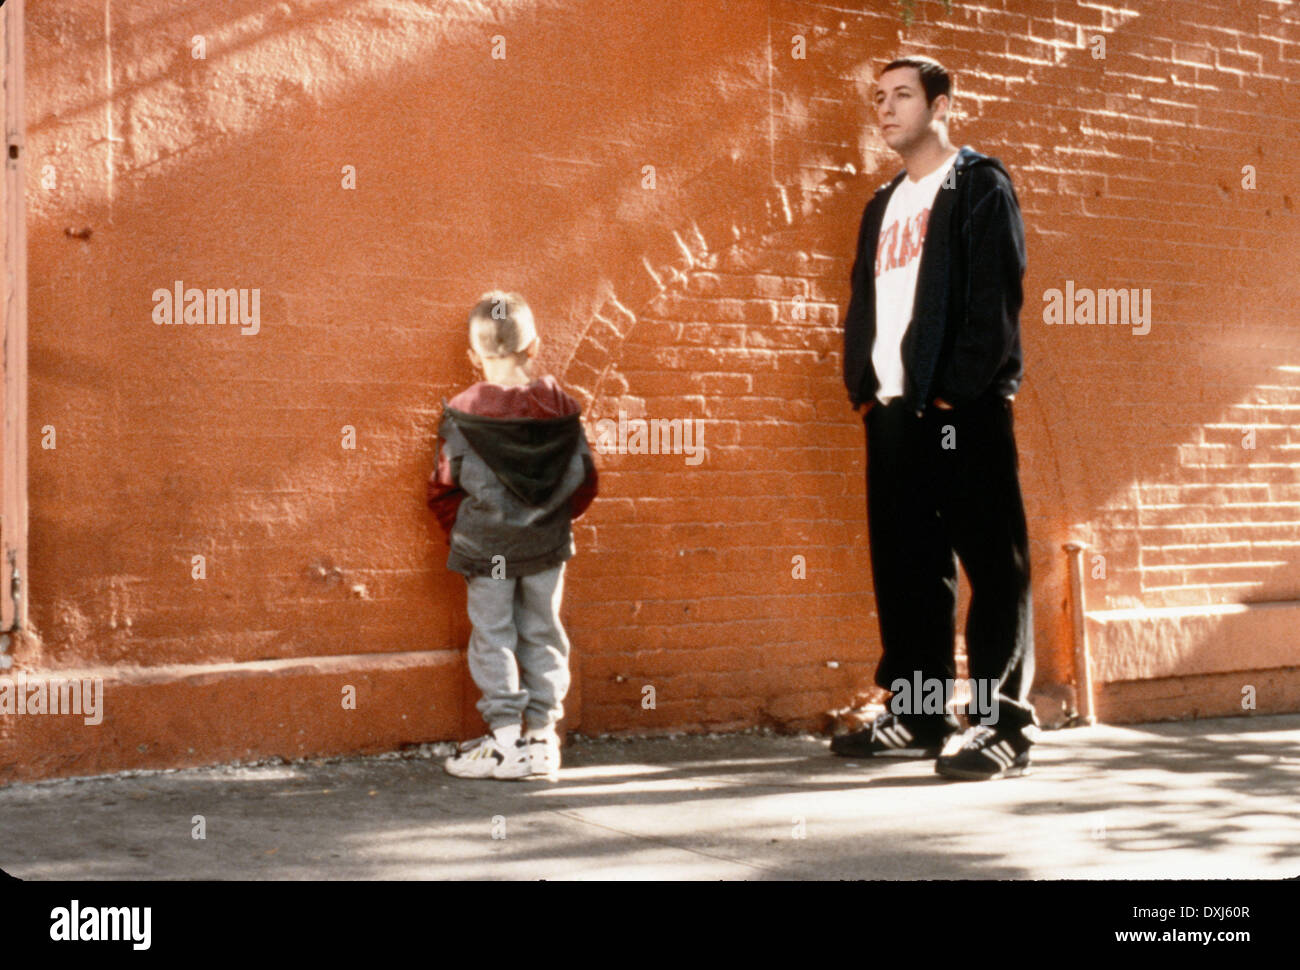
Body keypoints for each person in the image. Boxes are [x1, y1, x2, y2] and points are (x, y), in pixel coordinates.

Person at [835, 55, 1038, 780]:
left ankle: (1000, 724)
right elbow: (868, 303)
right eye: (878, 98)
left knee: (992, 563)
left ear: (942, 104)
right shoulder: (882, 203)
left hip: (961, 409)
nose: (885, 109)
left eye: (901, 96)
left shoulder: (979, 185)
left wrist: (955, 391)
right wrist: (864, 386)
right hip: (891, 412)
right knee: (909, 570)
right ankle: (919, 714)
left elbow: (995, 300)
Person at [427, 292, 598, 781]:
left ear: (473, 355)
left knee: (493, 635)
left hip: (485, 548)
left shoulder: (463, 413)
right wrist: (554, 522)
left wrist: (461, 535)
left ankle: (504, 741)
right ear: (535, 345)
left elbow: (442, 484)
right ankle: (543, 739)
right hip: (546, 544)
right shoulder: (562, 408)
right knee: (544, 630)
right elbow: (585, 478)